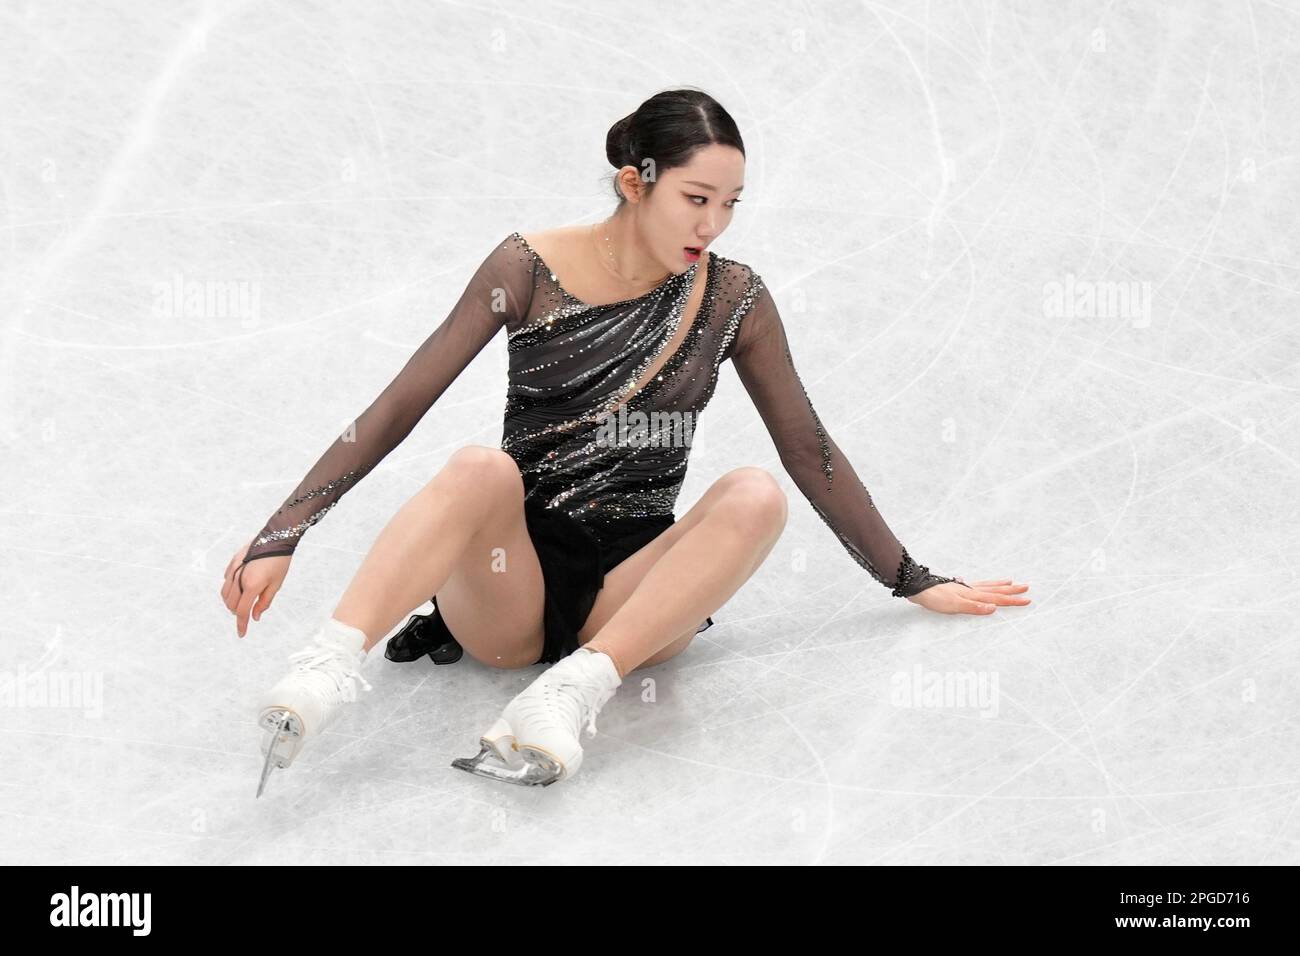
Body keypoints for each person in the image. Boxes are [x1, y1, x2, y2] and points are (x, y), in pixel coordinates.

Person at [221, 88, 1030, 794]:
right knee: (479, 469)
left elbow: (804, 442)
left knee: (754, 493)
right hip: (513, 584)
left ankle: (570, 694)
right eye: (695, 198)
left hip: (636, 601)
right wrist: (281, 532)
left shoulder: (734, 297)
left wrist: (910, 578)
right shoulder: (528, 266)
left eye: (731, 203)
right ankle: (326, 666)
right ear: (635, 183)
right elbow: (403, 401)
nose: (712, 224)